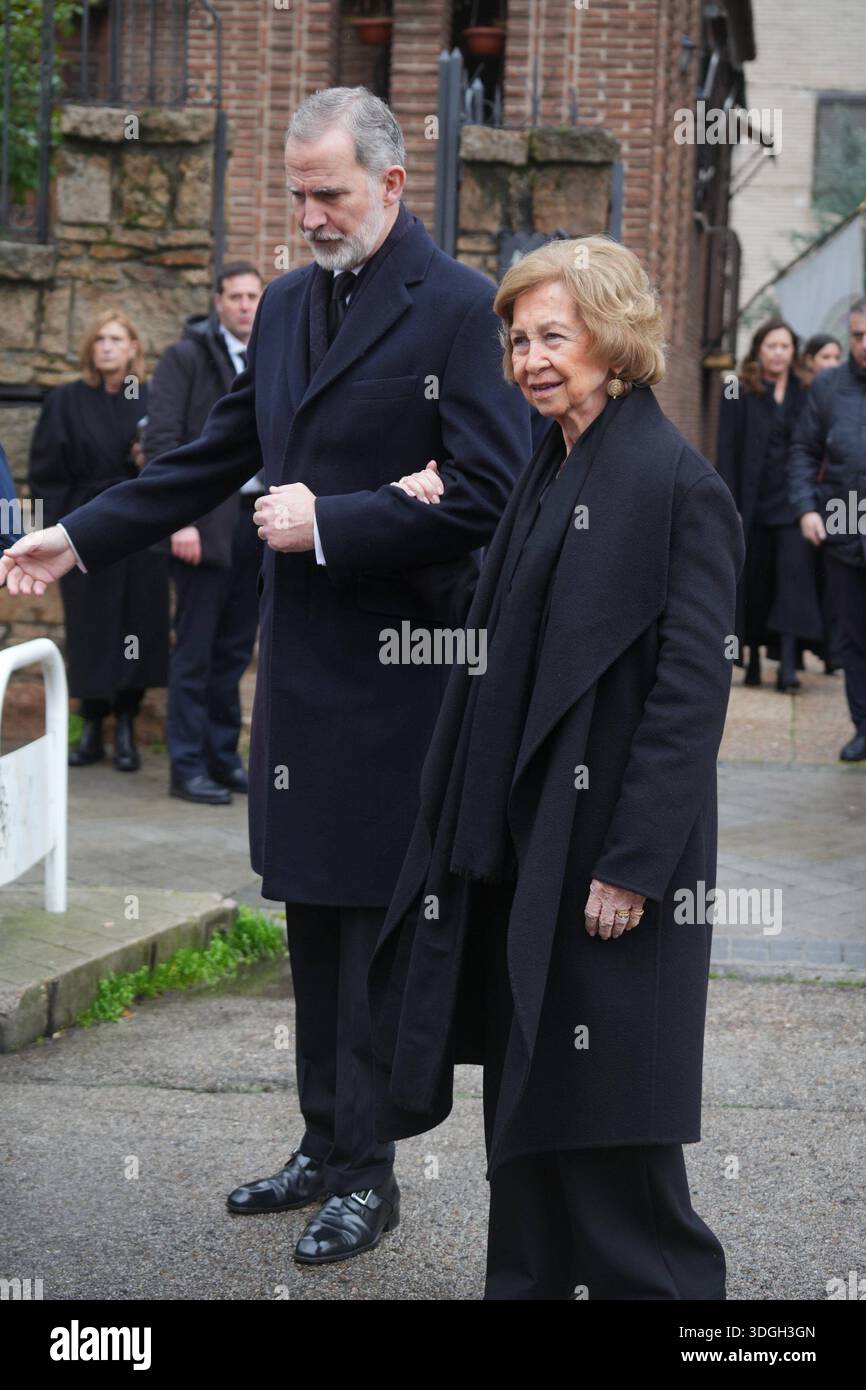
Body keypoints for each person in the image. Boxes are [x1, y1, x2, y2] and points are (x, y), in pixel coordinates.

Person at [0, 87, 531, 1265]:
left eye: (328, 193)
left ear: (393, 185)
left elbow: (488, 492)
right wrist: (78, 537)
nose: (308, 213)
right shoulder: (286, 303)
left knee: (371, 926)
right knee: (306, 916)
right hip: (296, 674)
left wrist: (329, 520)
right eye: (294, 193)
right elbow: (210, 456)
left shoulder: (457, 311)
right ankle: (320, 1138)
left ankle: (368, 1173)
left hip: (400, 675)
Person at [368, 235, 744, 1300]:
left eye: (552, 335)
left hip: (607, 867)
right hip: (522, 848)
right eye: (515, 337)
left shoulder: (678, 486)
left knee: (612, 1137)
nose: (528, 357)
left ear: (612, 337)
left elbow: (686, 699)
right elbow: (507, 639)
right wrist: (416, 517)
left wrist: (630, 863)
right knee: (532, 1115)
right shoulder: (552, 462)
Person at [27, 311, 169, 771]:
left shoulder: (148, 399)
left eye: (117, 339)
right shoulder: (67, 400)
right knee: (90, 628)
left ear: (133, 348)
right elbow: (46, 472)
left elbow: (172, 464)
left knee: (138, 627)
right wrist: (63, 529)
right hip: (83, 529)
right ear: (90, 348)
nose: (107, 347)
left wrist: (143, 461)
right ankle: (90, 726)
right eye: (100, 339)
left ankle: (125, 726)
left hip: (137, 529)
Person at [145, 261, 265, 806]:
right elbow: (162, 441)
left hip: (258, 524)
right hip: (203, 523)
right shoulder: (185, 357)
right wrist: (181, 520)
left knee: (236, 650)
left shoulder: (272, 355)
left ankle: (222, 757)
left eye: (252, 296)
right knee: (194, 651)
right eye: (235, 296)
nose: (244, 305)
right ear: (217, 301)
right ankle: (186, 766)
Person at [716, 319, 823, 691]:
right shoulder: (736, 389)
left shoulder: (806, 390)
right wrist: (729, 504)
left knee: (792, 583)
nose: (778, 353)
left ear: (794, 352)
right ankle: (755, 660)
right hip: (753, 504)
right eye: (771, 346)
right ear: (758, 349)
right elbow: (726, 449)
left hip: (794, 505)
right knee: (756, 583)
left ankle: (790, 665)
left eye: (785, 346)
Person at [790, 297, 866, 762]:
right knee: (854, 637)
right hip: (843, 519)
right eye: (857, 336)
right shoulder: (828, 387)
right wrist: (806, 509)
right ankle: (863, 726)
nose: (864, 345)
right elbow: (802, 450)